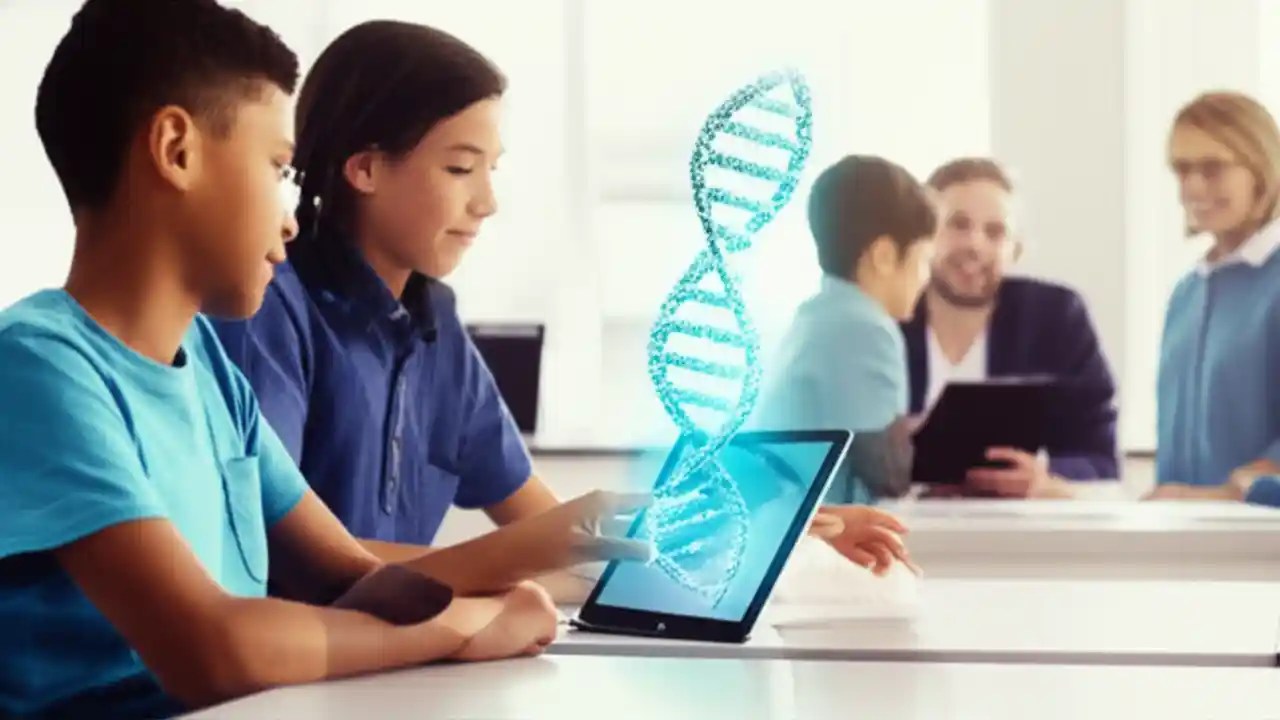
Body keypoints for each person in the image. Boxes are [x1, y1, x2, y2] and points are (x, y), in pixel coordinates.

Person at [0, 2, 651, 716]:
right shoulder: (40, 367)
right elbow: (218, 650)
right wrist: (466, 624)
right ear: (176, 150)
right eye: (278, 166)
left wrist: (512, 593)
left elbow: (356, 578)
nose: (291, 215)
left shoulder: (211, 370)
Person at [210, 21, 915, 583]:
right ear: (363, 168)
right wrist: (519, 566)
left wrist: (780, 535)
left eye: (492, 169)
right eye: (460, 168)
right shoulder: (271, 311)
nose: (486, 202)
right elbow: (289, 559)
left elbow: (549, 523)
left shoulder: (435, 328)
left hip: (391, 668)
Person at [900, 158, 1119, 498]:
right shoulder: (887, 319)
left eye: (995, 232)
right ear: (924, 235)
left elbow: (1102, 459)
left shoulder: (1056, 317)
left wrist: (1046, 477)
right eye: (958, 224)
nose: (975, 244)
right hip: (897, 526)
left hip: (1018, 534)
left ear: (1015, 249)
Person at [754, 155, 935, 507]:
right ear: (883, 256)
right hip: (829, 539)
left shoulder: (815, 318)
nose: (927, 277)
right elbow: (889, 474)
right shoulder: (865, 329)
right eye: (924, 259)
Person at [1146, 91, 1280, 508]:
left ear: (1261, 168)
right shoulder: (1187, 293)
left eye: (1213, 168)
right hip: (1192, 545)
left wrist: (1226, 495)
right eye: (1182, 170)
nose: (1192, 187)